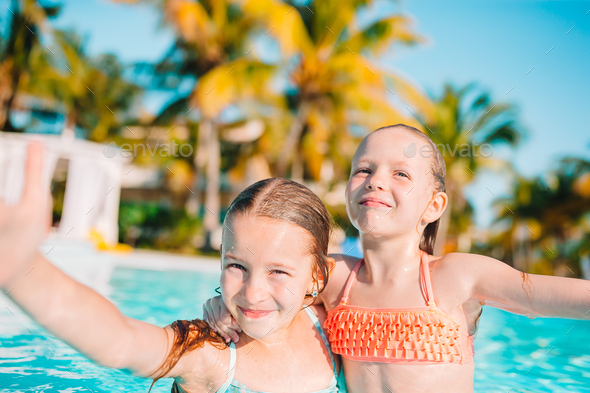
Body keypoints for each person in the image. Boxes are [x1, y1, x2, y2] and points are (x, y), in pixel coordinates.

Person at [203, 124, 590, 393]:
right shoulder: (334, 276)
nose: (376, 180)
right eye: (364, 170)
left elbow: (538, 293)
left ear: (434, 205)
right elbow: (262, 290)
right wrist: (220, 304)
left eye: (400, 174)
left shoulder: (455, 276)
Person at [0, 142, 346, 393]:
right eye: (237, 265)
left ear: (317, 275)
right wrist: (21, 270)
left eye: (278, 272)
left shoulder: (335, 327)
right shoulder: (208, 353)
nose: (252, 292)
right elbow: (120, 340)